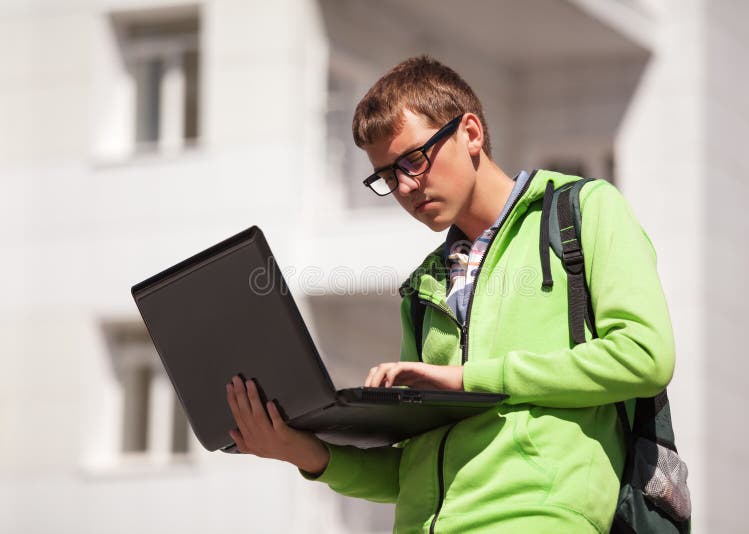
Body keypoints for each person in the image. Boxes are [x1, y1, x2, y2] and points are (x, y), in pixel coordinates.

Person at [225, 55, 676, 533]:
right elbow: (414, 472)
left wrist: (469, 379)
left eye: (413, 159)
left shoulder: (581, 210)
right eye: (386, 176)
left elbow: (645, 357)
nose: (405, 186)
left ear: (471, 134)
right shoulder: (423, 288)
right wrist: (303, 452)